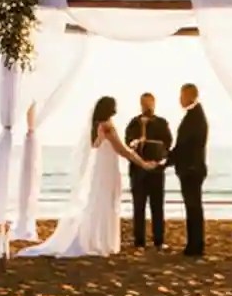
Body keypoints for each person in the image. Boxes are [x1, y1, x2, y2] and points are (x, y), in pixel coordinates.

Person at [17, 96, 158, 258]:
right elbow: (122, 150)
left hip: (102, 168)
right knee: (106, 202)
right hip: (108, 170)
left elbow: (97, 145)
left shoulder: (97, 126)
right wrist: (143, 163)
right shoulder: (107, 126)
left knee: (100, 202)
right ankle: (102, 241)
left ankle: (100, 239)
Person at [124, 92, 172, 249]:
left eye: (149, 103)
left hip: (156, 170)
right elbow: (127, 142)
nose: (146, 106)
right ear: (140, 104)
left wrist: (159, 154)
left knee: (157, 206)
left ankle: (159, 240)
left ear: (154, 103)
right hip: (137, 170)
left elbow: (168, 143)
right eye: (144, 104)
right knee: (139, 206)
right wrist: (135, 142)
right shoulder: (134, 123)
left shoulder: (161, 122)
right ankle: (139, 241)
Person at [168, 83, 208, 257]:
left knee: (193, 207)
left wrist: (165, 161)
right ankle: (194, 244)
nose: (180, 99)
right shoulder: (194, 115)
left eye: (182, 96)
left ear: (190, 96)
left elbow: (184, 146)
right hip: (190, 168)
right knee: (192, 207)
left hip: (191, 169)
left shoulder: (195, 117)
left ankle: (196, 245)